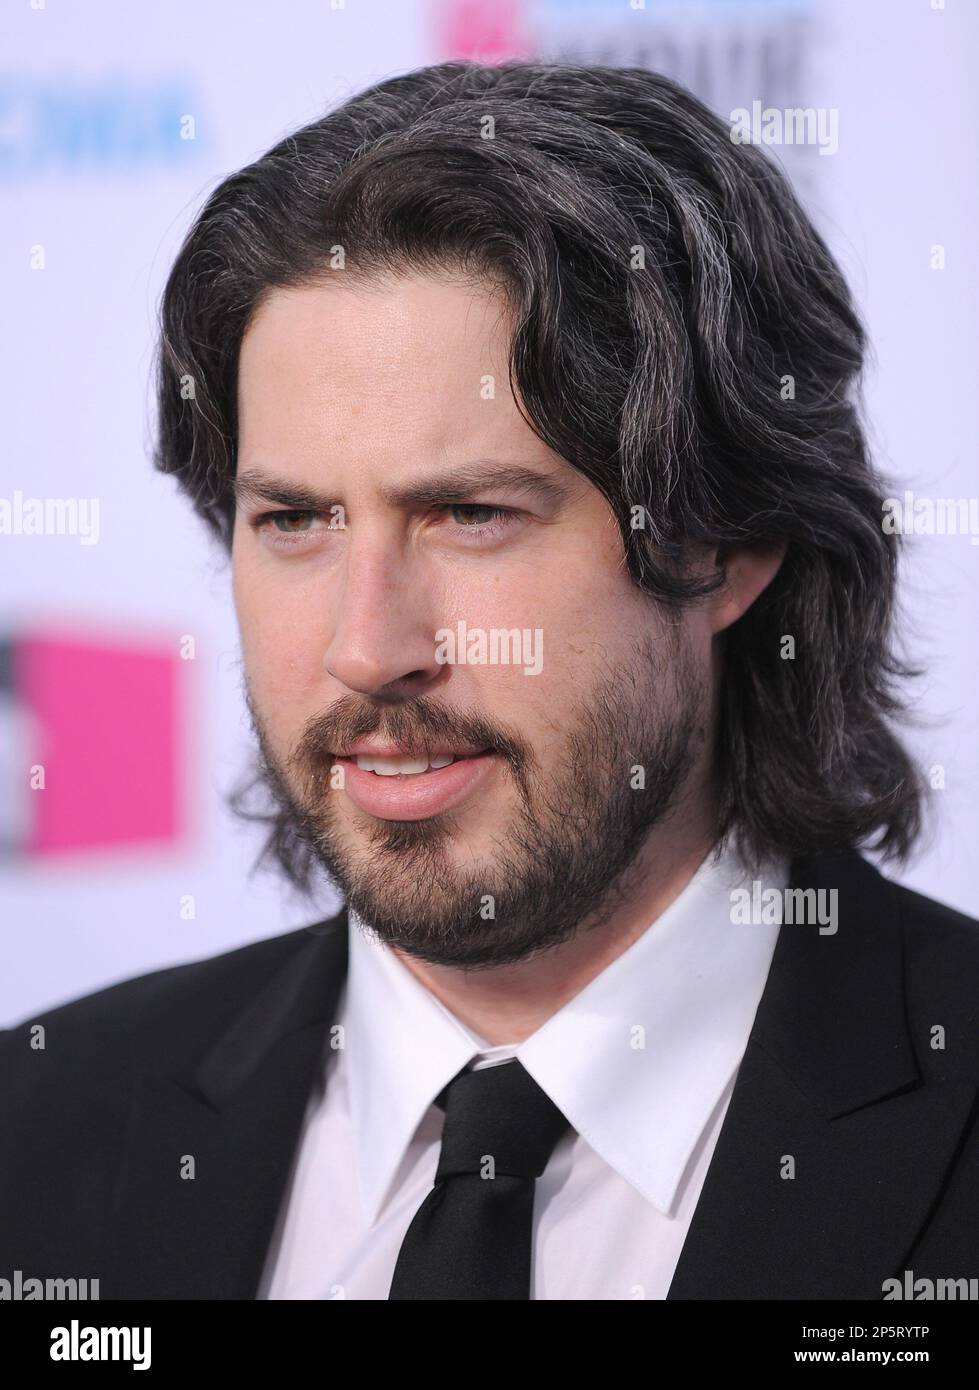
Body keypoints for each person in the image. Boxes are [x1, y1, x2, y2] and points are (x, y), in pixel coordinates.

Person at [3, 60, 977, 1302]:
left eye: (469, 514)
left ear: (722, 543)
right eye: (295, 520)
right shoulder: (39, 1124)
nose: (367, 646)